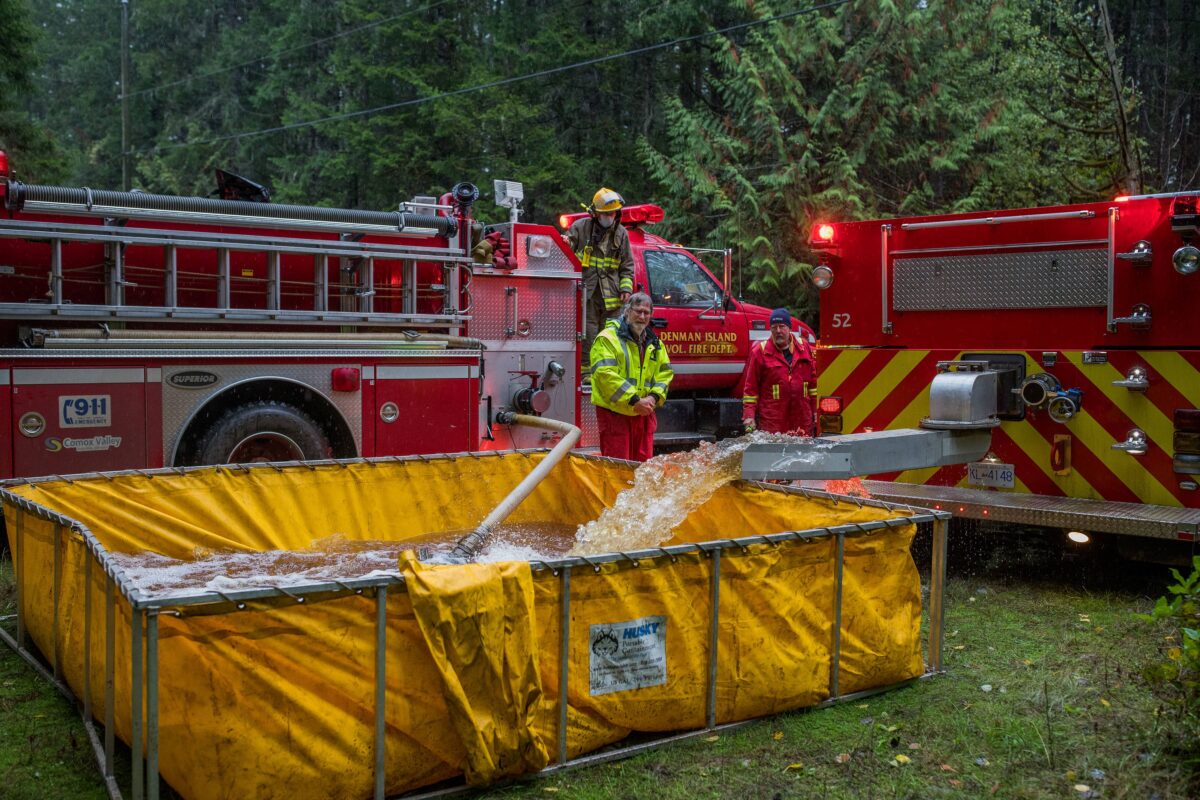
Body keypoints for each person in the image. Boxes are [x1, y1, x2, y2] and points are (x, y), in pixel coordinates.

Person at [589, 292, 673, 461]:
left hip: (643, 414)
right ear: (627, 311)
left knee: (642, 471)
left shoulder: (655, 343)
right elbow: (605, 375)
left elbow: (665, 373)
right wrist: (635, 401)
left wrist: (653, 397)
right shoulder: (607, 338)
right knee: (617, 471)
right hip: (616, 415)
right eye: (638, 311)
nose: (642, 316)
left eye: (646, 313)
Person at [567, 187, 635, 358]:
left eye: (613, 213)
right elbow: (565, 256)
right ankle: (586, 371)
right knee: (587, 332)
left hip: (612, 297)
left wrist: (626, 289)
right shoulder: (580, 228)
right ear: (596, 213)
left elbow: (627, 265)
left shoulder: (621, 234)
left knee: (610, 335)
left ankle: (606, 369)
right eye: (606, 214)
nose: (610, 217)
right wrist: (567, 244)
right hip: (587, 293)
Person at [741, 307, 817, 436]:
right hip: (773, 421)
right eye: (774, 327)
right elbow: (750, 389)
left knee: (804, 454)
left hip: (802, 418)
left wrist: (816, 410)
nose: (778, 331)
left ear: (790, 328)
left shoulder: (804, 348)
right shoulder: (760, 352)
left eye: (782, 326)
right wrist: (749, 416)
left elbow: (813, 384)